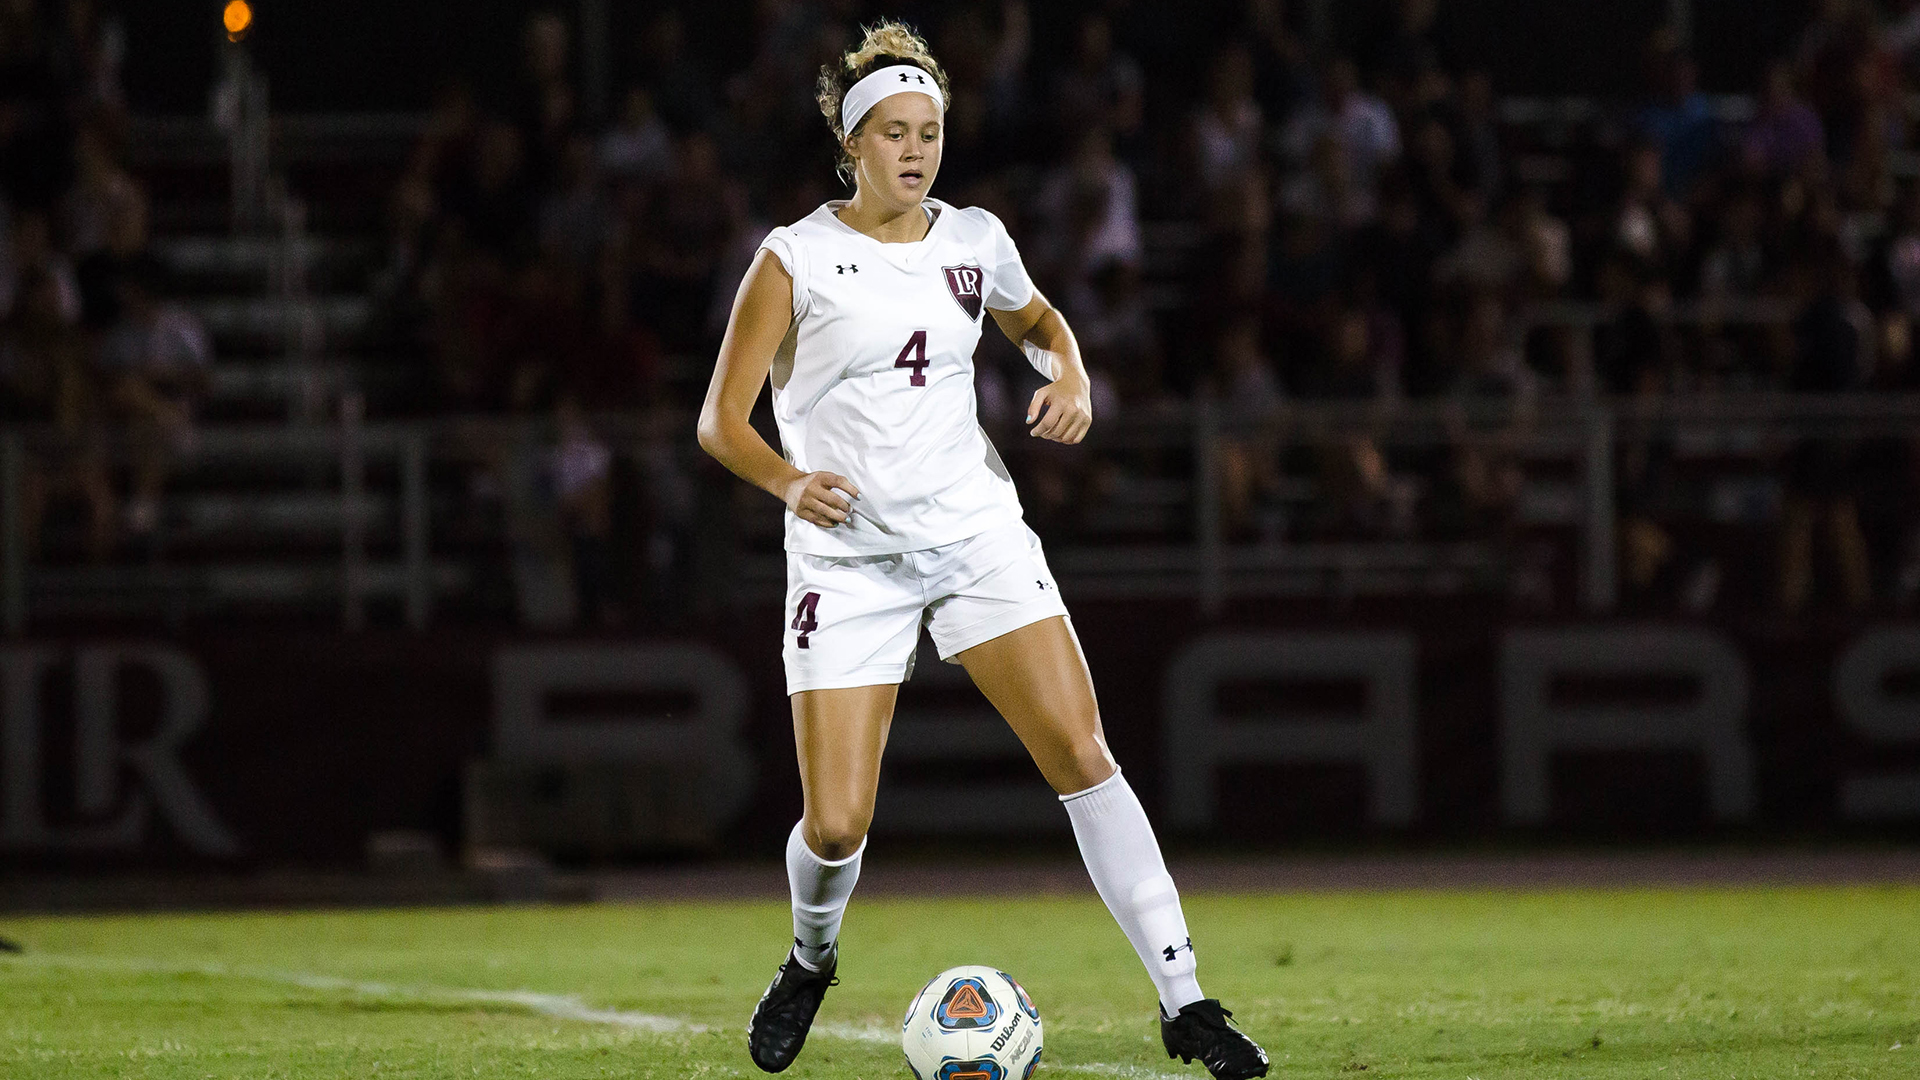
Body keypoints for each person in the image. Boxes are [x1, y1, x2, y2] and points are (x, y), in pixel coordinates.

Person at [696, 22, 1269, 1080]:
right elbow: (720, 422)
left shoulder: (976, 239)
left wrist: (1072, 373)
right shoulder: (794, 258)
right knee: (836, 825)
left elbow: (1041, 321)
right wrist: (787, 481)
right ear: (852, 143)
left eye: (930, 132)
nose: (916, 151)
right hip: (848, 559)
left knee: (1084, 756)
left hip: (975, 538)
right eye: (894, 133)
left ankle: (1187, 1001)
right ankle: (811, 958)